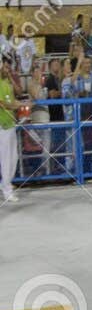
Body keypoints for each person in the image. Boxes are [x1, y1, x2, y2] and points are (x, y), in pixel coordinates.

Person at [0, 53, 23, 202]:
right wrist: (21, 105)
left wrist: (10, 77)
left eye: (8, 68)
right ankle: (7, 190)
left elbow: (17, 94)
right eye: (5, 67)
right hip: (2, 126)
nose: (7, 70)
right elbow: (4, 104)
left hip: (11, 124)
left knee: (13, 158)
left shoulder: (7, 83)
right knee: (6, 159)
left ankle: (6, 184)